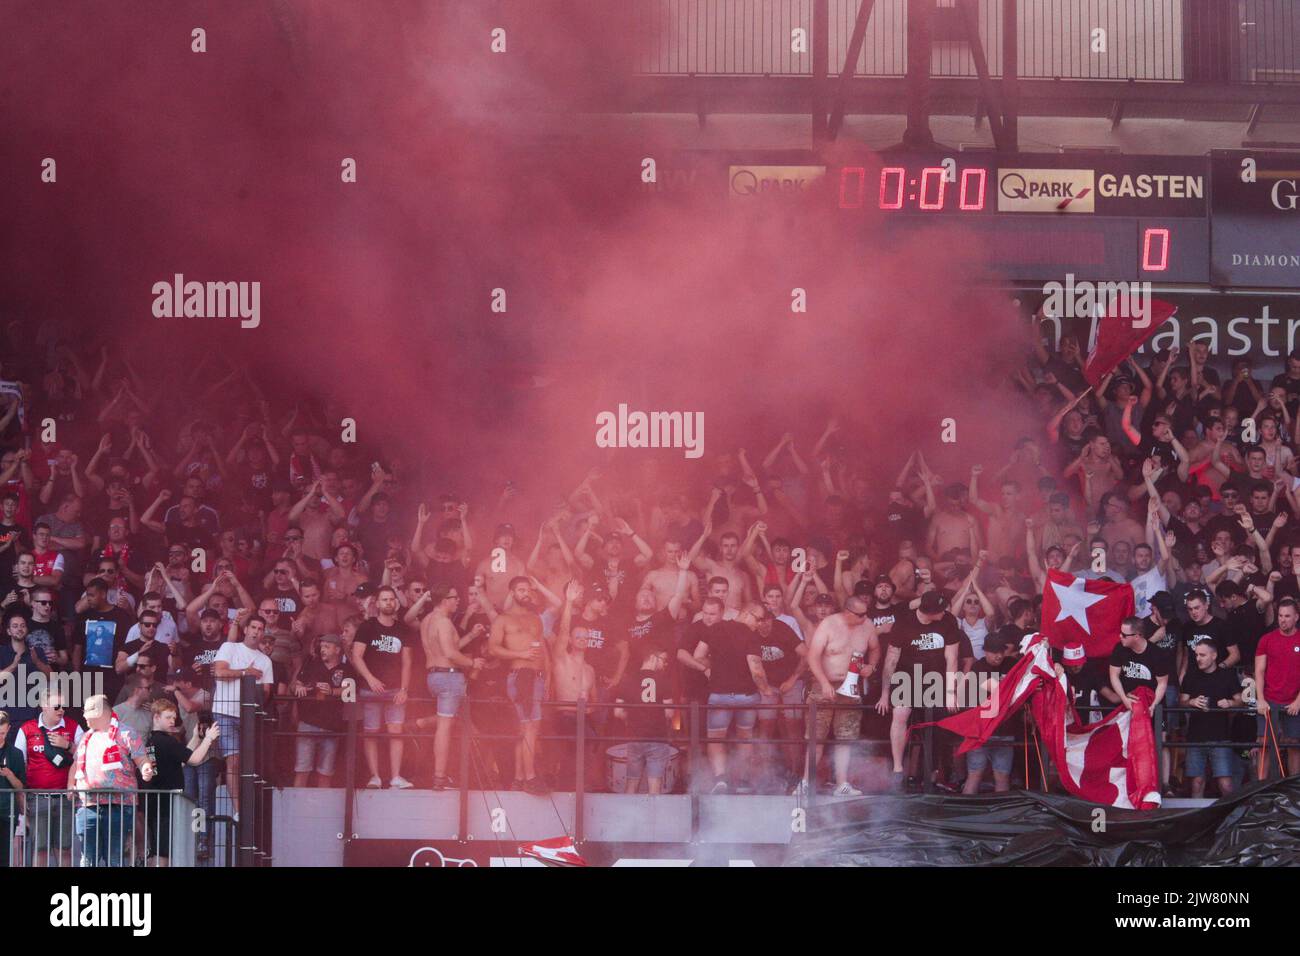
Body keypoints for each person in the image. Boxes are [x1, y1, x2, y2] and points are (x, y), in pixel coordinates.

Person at [877, 591, 961, 793]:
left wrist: (951, 691)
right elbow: (891, 660)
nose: (945, 612)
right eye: (940, 610)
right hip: (906, 675)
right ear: (929, 612)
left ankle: (931, 773)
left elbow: (952, 658)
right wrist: (885, 693)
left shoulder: (948, 621)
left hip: (936, 679)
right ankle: (898, 768)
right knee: (900, 714)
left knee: (937, 724)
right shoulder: (904, 623)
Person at [689, 596, 769, 794]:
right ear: (745, 613)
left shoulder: (715, 629)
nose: (759, 624)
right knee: (745, 737)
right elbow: (756, 667)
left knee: (716, 738)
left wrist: (714, 668)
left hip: (719, 694)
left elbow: (698, 655)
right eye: (757, 619)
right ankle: (742, 781)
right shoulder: (751, 636)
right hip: (747, 696)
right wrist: (765, 690)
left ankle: (720, 779)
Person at [70, 694, 155, 867]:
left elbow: (141, 758)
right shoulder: (86, 737)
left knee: (114, 856)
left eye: (87, 712)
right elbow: (75, 764)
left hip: (119, 804)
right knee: (87, 858)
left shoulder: (126, 733)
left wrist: (146, 769)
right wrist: (70, 786)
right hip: (88, 804)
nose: (84, 716)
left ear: (100, 712)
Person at [488, 576, 549, 795]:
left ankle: (520, 778)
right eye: (521, 590)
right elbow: (493, 648)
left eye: (528, 590)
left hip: (537, 677)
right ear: (512, 593)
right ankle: (530, 777)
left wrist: (548, 679)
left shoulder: (535, 618)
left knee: (529, 729)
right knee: (527, 727)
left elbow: (543, 650)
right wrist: (520, 653)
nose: (526, 593)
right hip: (519, 674)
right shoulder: (503, 619)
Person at [350, 585, 415, 789]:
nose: (389, 602)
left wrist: (404, 689)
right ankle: (375, 776)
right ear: (377, 604)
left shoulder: (403, 629)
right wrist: (370, 679)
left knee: (396, 730)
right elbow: (356, 656)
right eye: (384, 599)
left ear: (396, 602)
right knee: (371, 732)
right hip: (371, 689)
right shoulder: (367, 626)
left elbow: (407, 662)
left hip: (395, 689)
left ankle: (396, 776)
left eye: (391, 599)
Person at [210, 615, 275, 818]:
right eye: (253, 627)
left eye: (260, 628)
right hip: (225, 712)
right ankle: (238, 811)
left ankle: (247, 809)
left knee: (249, 764)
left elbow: (266, 692)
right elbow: (219, 673)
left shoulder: (265, 660)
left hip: (249, 715)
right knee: (234, 760)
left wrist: (254, 691)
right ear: (245, 629)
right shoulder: (230, 647)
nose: (256, 631)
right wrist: (246, 673)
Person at [144, 698, 221, 865]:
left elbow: (182, 758)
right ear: (156, 717)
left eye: (174, 717)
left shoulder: (152, 741)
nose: (172, 721)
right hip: (165, 804)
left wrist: (196, 738)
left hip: (156, 803)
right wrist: (208, 739)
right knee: (162, 852)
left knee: (159, 849)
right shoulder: (166, 741)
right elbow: (194, 759)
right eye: (168, 717)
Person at [420, 586, 483, 790]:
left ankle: (418, 723)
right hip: (448, 677)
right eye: (454, 597)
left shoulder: (427, 620)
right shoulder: (445, 622)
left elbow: (446, 648)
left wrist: (472, 636)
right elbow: (450, 653)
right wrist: (472, 663)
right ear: (444, 600)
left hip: (434, 676)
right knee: (445, 727)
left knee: (447, 722)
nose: (458, 601)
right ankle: (440, 776)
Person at [14, 689, 83, 866]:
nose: (62, 710)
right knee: (40, 848)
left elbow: (86, 757)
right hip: (37, 798)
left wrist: (67, 745)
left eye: (63, 706)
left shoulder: (73, 726)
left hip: (65, 798)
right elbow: (19, 764)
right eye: (57, 706)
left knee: (65, 848)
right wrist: (20, 795)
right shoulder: (27, 729)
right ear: (44, 706)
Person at [1179, 640, 1244, 798]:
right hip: (1195, 737)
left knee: (1226, 784)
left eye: (1202, 655)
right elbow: (1181, 701)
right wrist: (1191, 702)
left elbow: (1240, 701)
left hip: (1221, 737)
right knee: (1197, 783)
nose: (1198, 658)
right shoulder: (1191, 675)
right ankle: (1196, 822)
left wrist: (1230, 703)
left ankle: (1231, 820)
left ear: (1214, 656)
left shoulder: (1227, 675)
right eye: (1196, 655)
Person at [613, 641, 676, 794]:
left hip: (635, 737)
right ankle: (652, 817)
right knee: (655, 787)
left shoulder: (627, 680)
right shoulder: (664, 681)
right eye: (663, 660)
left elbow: (617, 712)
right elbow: (669, 713)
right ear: (653, 658)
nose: (665, 664)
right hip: (657, 738)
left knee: (631, 784)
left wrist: (632, 717)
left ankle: (629, 816)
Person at [962, 632, 1016, 794]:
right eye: (994, 652)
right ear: (985, 651)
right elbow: (998, 691)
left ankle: (1000, 816)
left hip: (1005, 730)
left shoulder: (1013, 663)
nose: (998, 655)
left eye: (1001, 651)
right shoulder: (978, 667)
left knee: (1002, 777)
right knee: (974, 775)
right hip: (981, 731)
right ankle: (962, 816)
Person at [1253, 597, 1300, 778]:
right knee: (1264, 745)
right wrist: (1261, 700)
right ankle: (1260, 791)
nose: (1283, 619)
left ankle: (1294, 793)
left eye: (1287, 616)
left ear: (1296, 617)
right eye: (1280, 615)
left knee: (1294, 747)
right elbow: (1259, 671)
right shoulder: (1267, 639)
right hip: (1270, 701)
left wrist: (1298, 701)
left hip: (1293, 701)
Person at [0, 711, 23, 867]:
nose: (0, 736)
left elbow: (21, 786)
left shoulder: (15, 753)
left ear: (8, 729)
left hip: (6, 813)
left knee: (4, 858)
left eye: (2, 732)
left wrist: (9, 774)